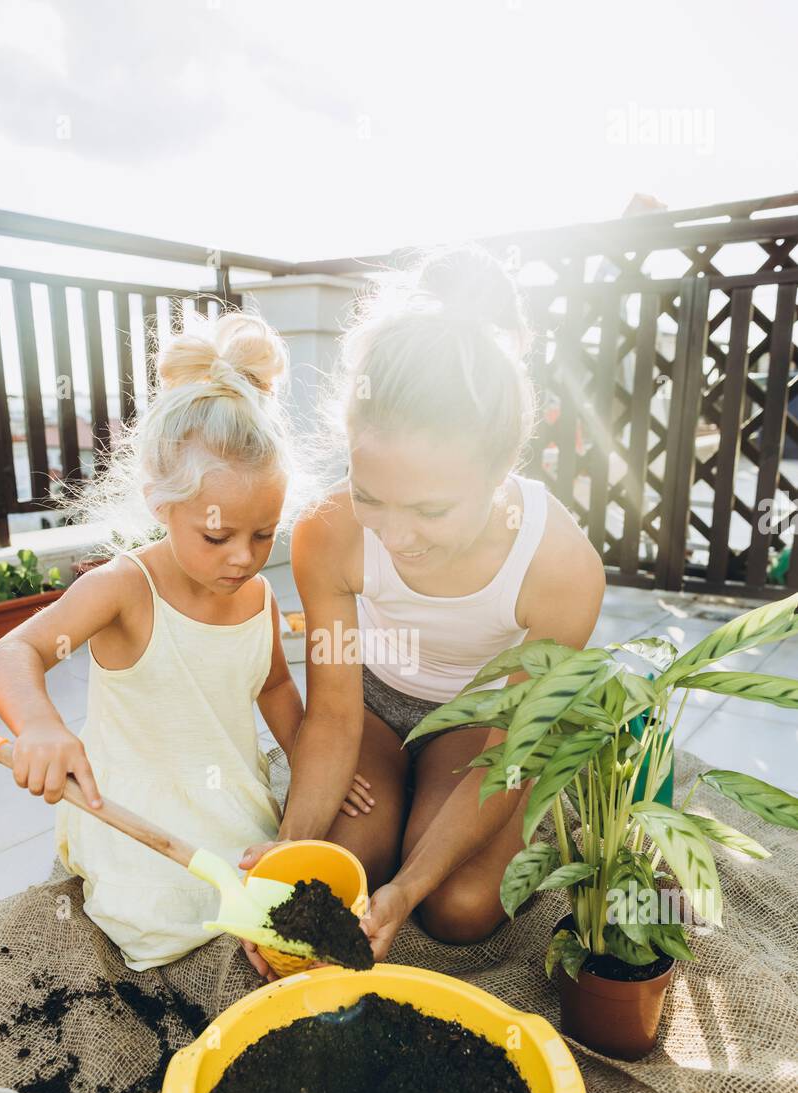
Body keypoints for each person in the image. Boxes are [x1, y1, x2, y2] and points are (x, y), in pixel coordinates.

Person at [240, 244, 606, 978]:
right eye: (371, 494)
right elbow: (336, 713)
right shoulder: (329, 531)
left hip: (478, 726)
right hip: (371, 711)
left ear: (501, 471)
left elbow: (504, 752)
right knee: (334, 869)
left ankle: (512, 802)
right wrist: (289, 851)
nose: (396, 535)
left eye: (432, 508)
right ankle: (397, 813)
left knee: (459, 908)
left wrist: (407, 891)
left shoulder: (560, 568)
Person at [0, 310, 368, 971]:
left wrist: (313, 758)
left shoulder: (259, 598)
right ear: (159, 502)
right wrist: (40, 726)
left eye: (262, 533)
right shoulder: (125, 589)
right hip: (138, 816)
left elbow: (275, 685)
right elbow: (16, 651)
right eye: (217, 536)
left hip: (227, 803)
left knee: (274, 881)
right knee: (169, 927)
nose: (243, 559)